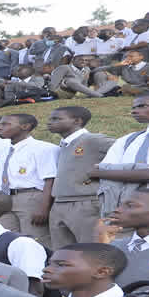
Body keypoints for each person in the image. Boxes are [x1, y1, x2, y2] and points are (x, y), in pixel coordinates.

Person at [47, 106, 116, 247]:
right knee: (63, 250)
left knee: (90, 249)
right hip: (59, 203)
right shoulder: (65, 144)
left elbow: (124, 151)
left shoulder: (93, 140)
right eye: (50, 119)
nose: (49, 122)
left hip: (85, 203)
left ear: (77, 121)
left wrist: (102, 173)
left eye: (56, 119)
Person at [0, 113, 58, 245]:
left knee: (36, 239)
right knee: (7, 239)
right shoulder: (3, 149)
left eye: (5, 124)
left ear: (25, 126)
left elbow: (50, 179)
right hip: (5, 198)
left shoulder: (43, 148)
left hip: (30, 197)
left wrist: (44, 207)